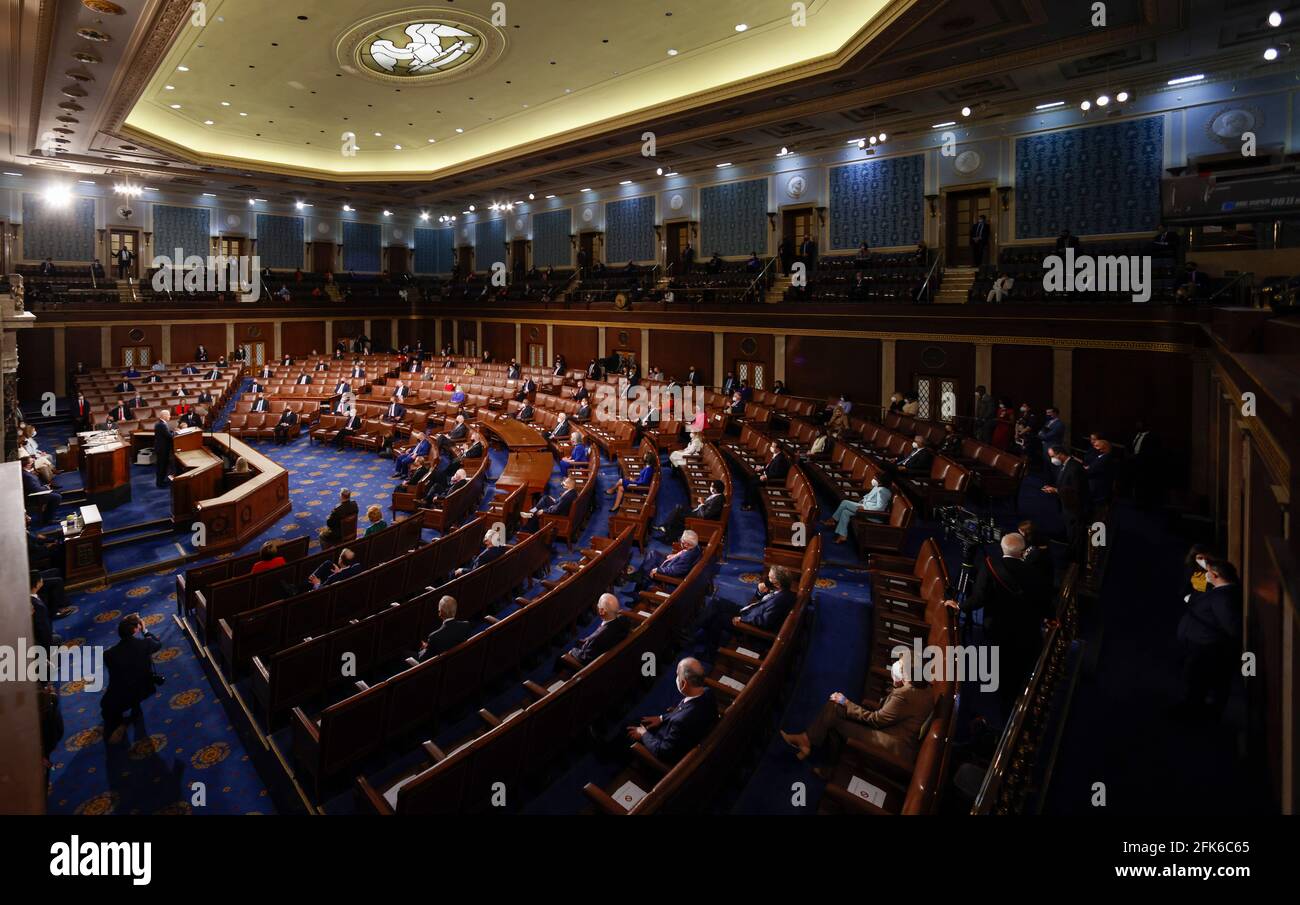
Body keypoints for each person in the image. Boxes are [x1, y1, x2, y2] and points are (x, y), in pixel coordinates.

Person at [780, 648, 932, 772]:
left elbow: (875, 720)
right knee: (834, 706)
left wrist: (846, 702)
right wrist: (843, 703)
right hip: (890, 728)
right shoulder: (924, 689)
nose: (897, 665)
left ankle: (828, 768)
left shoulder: (905, 694)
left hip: (890, 742)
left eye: (901, 665)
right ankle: (806, 740)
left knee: (834, 719)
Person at [950, 532, 1053, 711]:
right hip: (1026, 630)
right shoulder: (1034, 571)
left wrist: (960, 606)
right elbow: (1043, 599)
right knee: (1023, 666)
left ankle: (1007, 702)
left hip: (998, 629)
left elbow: (978, 598)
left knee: (1003, 667)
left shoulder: (990, 566)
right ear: (1023, 552)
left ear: (1002, 548)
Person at [1176, 558, 1242, 719]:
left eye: (1208, 573)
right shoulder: (1219, 592)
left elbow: (1232, 627)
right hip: (1200, 645)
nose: (1205, 575)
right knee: (1193, 681)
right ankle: (1191, 712)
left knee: (1196, 683)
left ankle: (1193, 716)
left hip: (1205, 648)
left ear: (1216, 575)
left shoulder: (1223, 597)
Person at [626, 658, 717, 764]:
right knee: (639, 721)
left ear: (683, 684)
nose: (676, 677)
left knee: (629, 729)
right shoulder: (707, 692)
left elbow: (662, 752)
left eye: (678, 675)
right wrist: (662, 718)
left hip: (668, 746)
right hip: (691, 733)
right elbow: (685, 709)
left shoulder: (679, 722)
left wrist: (644, 734)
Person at [690, 566, 796, 654]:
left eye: (769, 578)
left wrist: (742, 619)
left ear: (777, 583)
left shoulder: (779, 601)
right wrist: (760, 592)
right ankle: (694, 629)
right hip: (749, 611)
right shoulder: (782, 591)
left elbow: (765, 622)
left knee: (718, 618)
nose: (767, 579)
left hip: (749, 626)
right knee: (717, 603)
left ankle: (709, 653)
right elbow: (763, 602)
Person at [101, 614, 162, 744]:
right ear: (136, 629)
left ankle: (120, 723)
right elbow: (158, 643)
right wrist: (144, 630)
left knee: (105, 707)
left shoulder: (109, 654)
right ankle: (135, 708)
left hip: (122, 693)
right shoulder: (146, 644)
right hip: (144, 688)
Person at [1043, 443, 1089, 559]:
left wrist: (1056, 490)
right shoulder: (1066, 464)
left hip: (1075, 508)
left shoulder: (1073, 468)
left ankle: (1076, 559)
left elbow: (1076, 491)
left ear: (1060, 454)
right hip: (1068, 505)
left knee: (1075, 534)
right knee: (1071, 533)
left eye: (1052, 456)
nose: (1051, 459)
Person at [564, 594, 630, 667]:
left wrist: (573, 651)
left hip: (597, 665)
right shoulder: (624, 621)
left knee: (561, 659)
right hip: (614, 652)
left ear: (602, 611)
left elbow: (584, 658)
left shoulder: (597, 638)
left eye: (598, 604)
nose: (597, 606)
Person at [623, 530, 701, 591]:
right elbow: (683, 555)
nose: (680, 542)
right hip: (672, 562)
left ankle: (637, 592)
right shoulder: (696, 547)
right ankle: (640, 576)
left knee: (648, 573)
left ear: (686, 544)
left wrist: (659, 570)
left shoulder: (687, 557)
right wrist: (675, 555)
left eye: (682, 541)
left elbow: (675, 571)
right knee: (653, 554)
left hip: (670, 574)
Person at [825, 476, 892, 543]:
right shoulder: (877, 487)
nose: (873, 479)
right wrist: (862, 501)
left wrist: (865, 508)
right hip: (864, 508)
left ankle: (832, 520)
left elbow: (880, 508)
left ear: (881, 482)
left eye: (876, 478)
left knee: (844, 502)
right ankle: (842, 536)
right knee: (845, 512)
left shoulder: (883, 491)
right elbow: (869, 497)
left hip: (871, 514)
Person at [655, 479, 725, 543]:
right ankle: (668, 533)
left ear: (715, 489)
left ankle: (667, 531)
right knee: (679, 508)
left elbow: (705, 515)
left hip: (700, 518)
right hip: (697, 513)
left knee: (678, 512)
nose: (711, 488)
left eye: (712, 486)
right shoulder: (717, 496)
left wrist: (702, 503)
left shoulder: (718, 499)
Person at [418, 596, 473, 662]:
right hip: (459, 660)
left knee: (405, 654)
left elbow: (422, 659)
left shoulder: (434, 636)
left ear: (440, 613)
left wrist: (424, 648)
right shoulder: (466, 625)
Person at [743, 442, 789, 510]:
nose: (771, 447)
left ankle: (750, 505)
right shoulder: (776, 455)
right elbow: (771, 467)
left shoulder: (780, 459)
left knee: (753, 483)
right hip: (766, 475)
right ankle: (746, 502)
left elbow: (778, 473)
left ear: (778, 449)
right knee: (749, 478)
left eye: (773, 446)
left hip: (771, 480)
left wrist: (766, 476)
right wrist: (762, 468)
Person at [153, 411, 175, 488]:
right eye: (169, 415)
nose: (170, 416)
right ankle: (160, 483)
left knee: (162, 466)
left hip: (162, 448)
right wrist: (175, 434)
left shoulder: (161, 423)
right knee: (161, 467)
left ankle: (161, 481)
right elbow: (169, 436)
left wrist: (173, 432)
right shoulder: (161, 425)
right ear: (164, 416)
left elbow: (167, 432)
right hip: (162, 449)